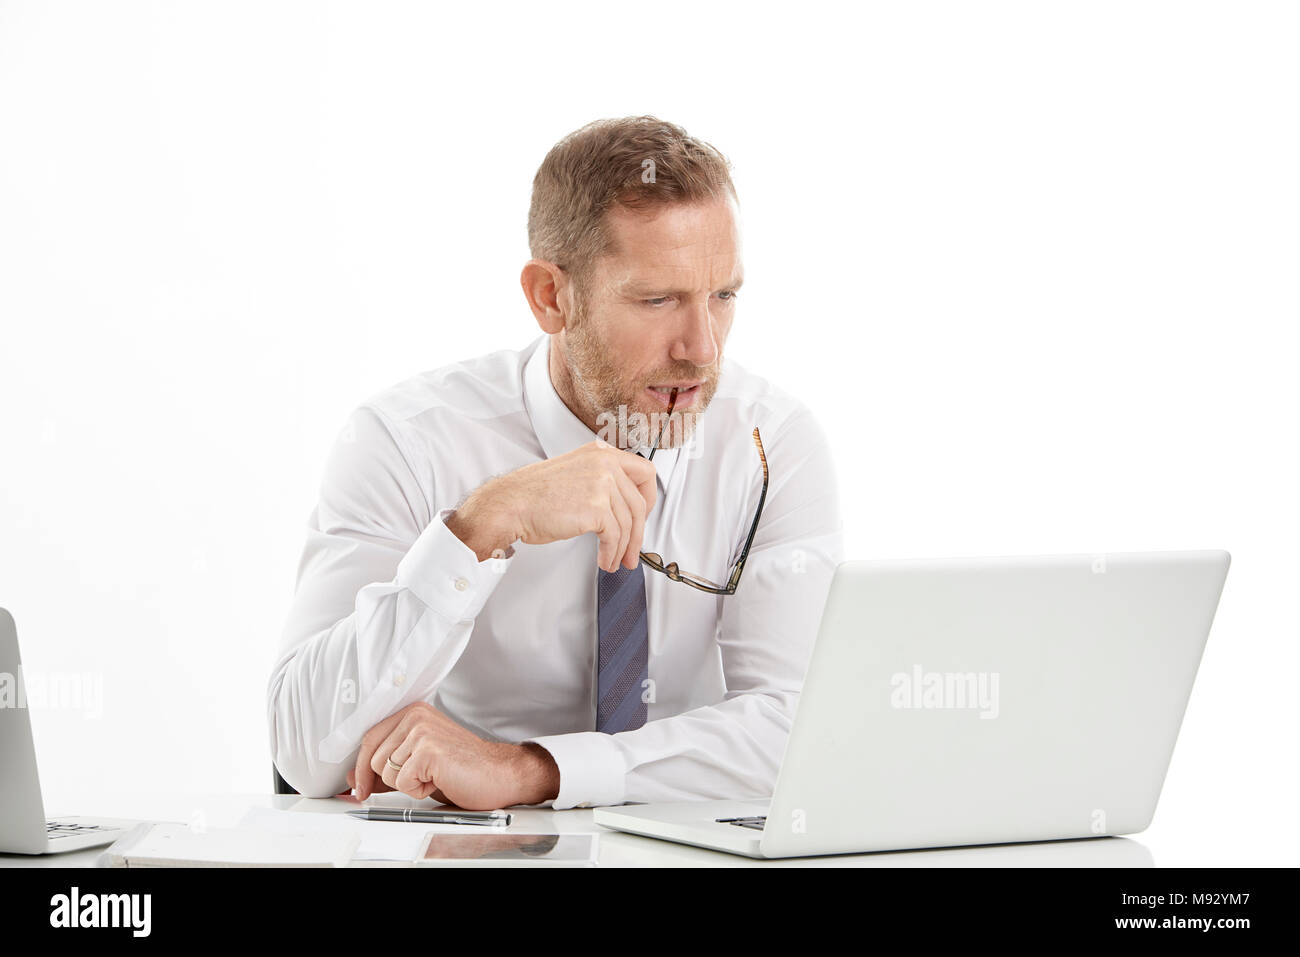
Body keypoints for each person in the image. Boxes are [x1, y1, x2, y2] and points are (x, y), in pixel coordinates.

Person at [267, 116, 843, 809]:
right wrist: (478, 529)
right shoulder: (404, 440)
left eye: (723, 296)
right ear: (551, 296)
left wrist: (532, 770)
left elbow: (800, 734)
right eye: (657, 299)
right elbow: (303, 749)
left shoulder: (771, 445)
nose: (702, 349)